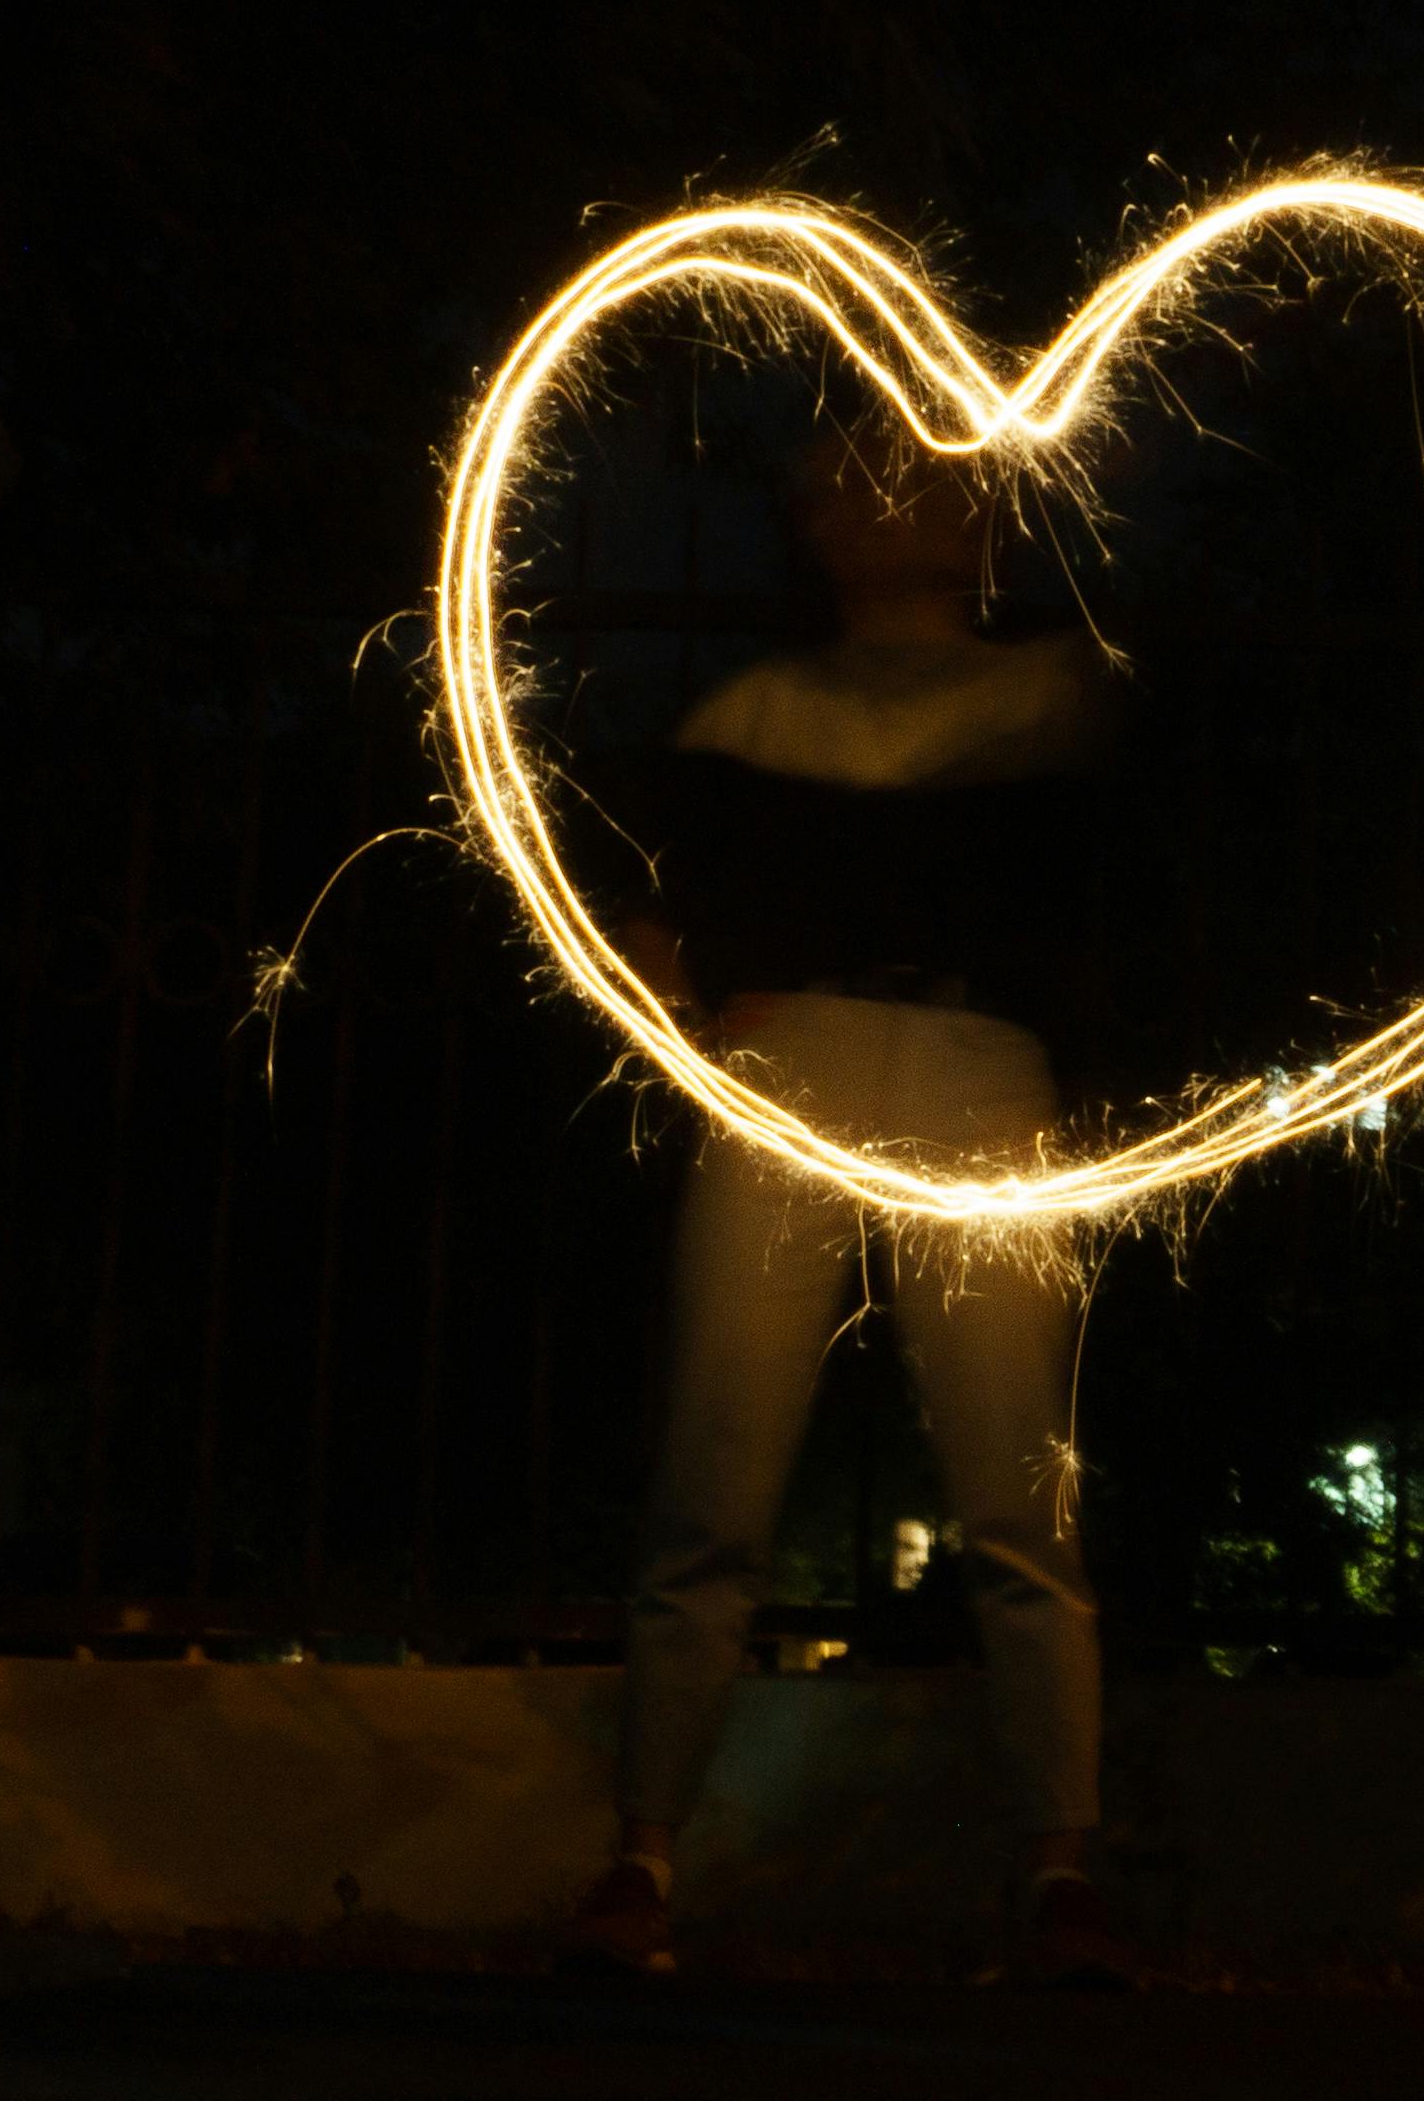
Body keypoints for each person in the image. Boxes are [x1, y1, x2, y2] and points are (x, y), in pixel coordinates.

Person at [564, 441, 1136, 1986]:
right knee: (717, 1472)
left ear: (982, 515)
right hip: (789, 1066)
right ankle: (642, 1858)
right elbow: (646, 915)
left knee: (1019, 1491)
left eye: (924, 477)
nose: (891, 500)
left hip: (979, 1071)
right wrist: (689, 1018)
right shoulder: (755, 716)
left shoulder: (1053, 698)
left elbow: (1118, 900)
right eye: (855, 479)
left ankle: (1062, 1869)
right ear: (811, 525)